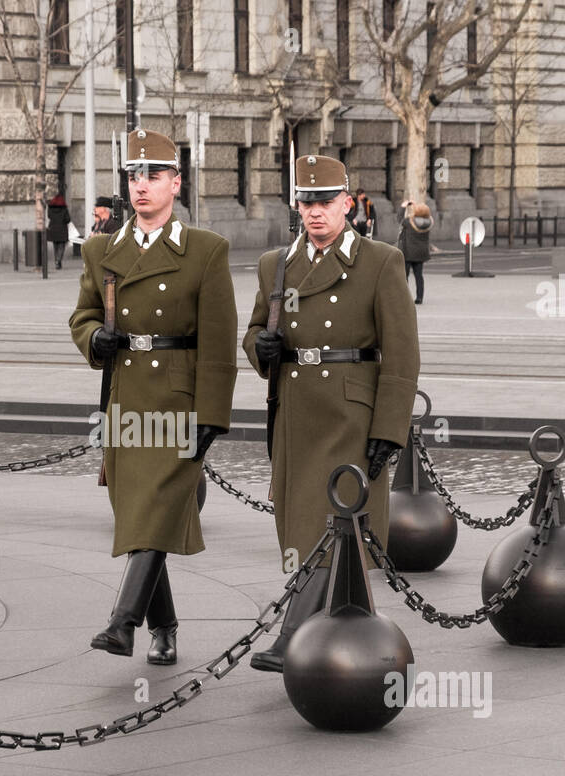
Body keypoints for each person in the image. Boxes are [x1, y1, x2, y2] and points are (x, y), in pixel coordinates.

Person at [242, 154, 421, 673]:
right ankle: (335, 629)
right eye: (306, 202)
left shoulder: (381, 261)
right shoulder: (276, 265)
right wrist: (262, 349)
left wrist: (390, 428)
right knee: (301, 527)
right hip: (297, 413)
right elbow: (255, 331)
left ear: (347, 202)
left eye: (325, 202)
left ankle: (293, 635)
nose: (315, 212)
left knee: (335, 520)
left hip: (351, 413)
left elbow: (402, 353)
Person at [69, 128, 238, 665]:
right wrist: (95, 337)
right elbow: (83, 315)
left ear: (175, 182)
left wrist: (213, 413)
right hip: (127, 396)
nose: (141, 186)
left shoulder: (205, 250)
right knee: (138, 512)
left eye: (154, 176)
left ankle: (123, 623)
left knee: (160, 504)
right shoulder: (103, 250)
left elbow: (218, 340)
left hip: (178, 399)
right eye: (134, 176)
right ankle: (164, 624)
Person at [396, 200, 433, 304]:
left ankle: (405, 297)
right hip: (420, 253)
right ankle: (419, 297)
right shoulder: (428, 222)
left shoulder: (409, 222)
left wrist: (403, 206)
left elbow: (399, 219)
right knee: (419, 276)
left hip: (408, 252)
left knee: (405, 276)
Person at [47, 191, 72, 269]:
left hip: (53, 229)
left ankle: (57, 261)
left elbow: (49, 217)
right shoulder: (64, 209)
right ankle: (58, 260)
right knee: (61, 246)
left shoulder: (50, 208)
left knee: (56, 246)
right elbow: (68, 219)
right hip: (62, 229)